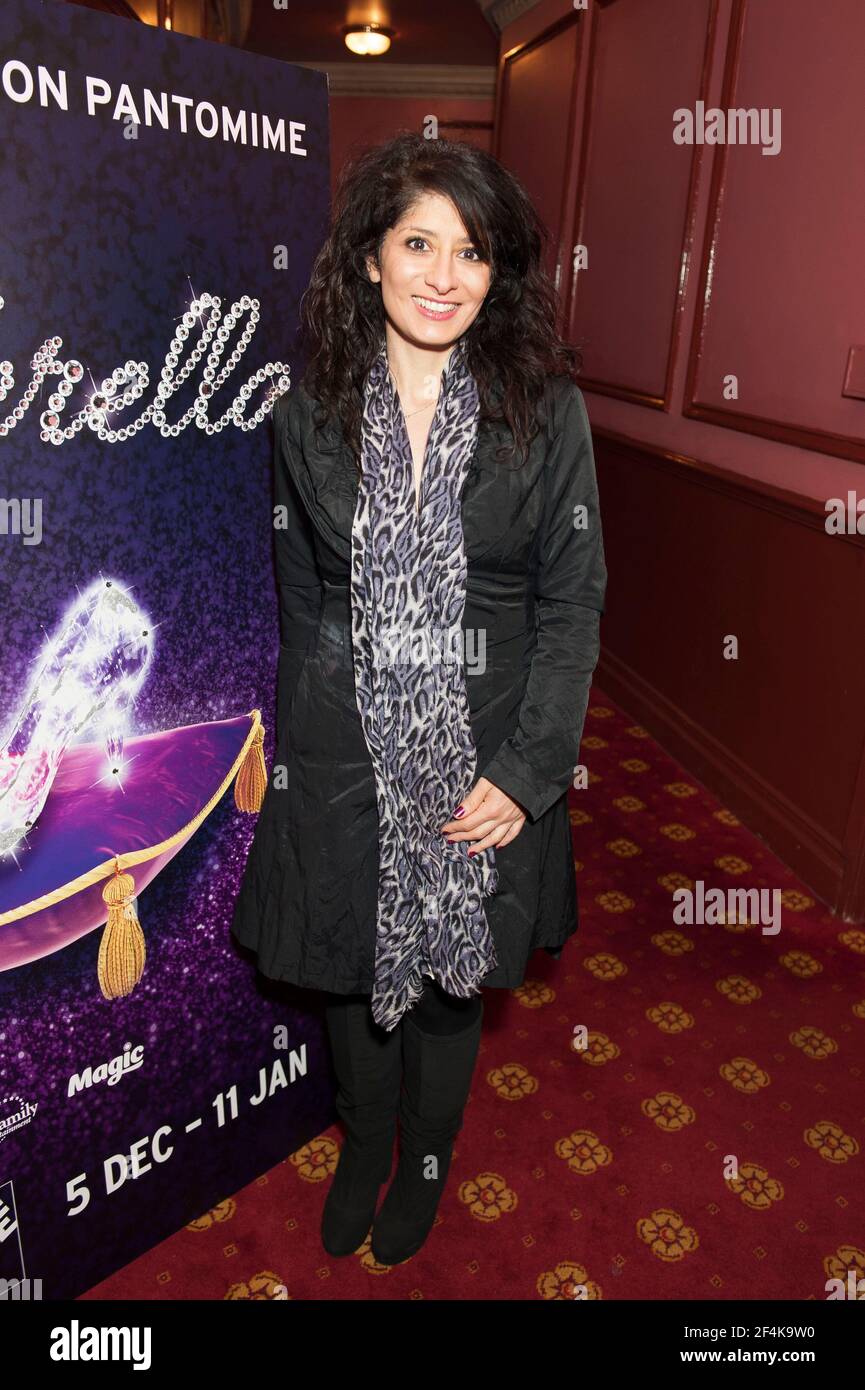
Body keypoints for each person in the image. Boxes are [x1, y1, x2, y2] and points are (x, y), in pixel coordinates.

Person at [231, 131, 607, 1267]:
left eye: (472, 252)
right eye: (418, 244)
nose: (444, 276)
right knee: (350, 969)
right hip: (345, 749)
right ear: (369, 259)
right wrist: (303, 760)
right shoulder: (306, 415)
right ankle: (363, 1147)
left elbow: (571, 602)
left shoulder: (543, 410)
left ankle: (427, 1160)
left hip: (486, 754)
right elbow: (304, 598)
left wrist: (529, 774)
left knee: (452, 983)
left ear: (497, 273)